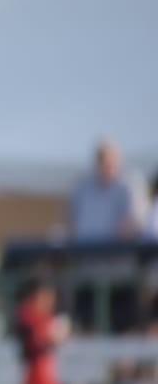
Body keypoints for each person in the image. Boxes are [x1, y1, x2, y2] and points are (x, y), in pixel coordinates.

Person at [65, 138, 151, 334]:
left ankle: (123, 365)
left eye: (108, 159)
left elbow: (135, 223)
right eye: (100, 159)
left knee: (126, 329)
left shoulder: (130, 183)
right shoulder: (83, 185)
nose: (104, 164)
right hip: (88, 272)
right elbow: (70, 220)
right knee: (86, 324)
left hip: (121, 272)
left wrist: (109, 237)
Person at [13, 277, 66, 384]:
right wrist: (53, 339)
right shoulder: (29, 314)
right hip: (36, 375)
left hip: (45, 375)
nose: (52, 301)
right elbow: (35, 342)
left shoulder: (44, 316)